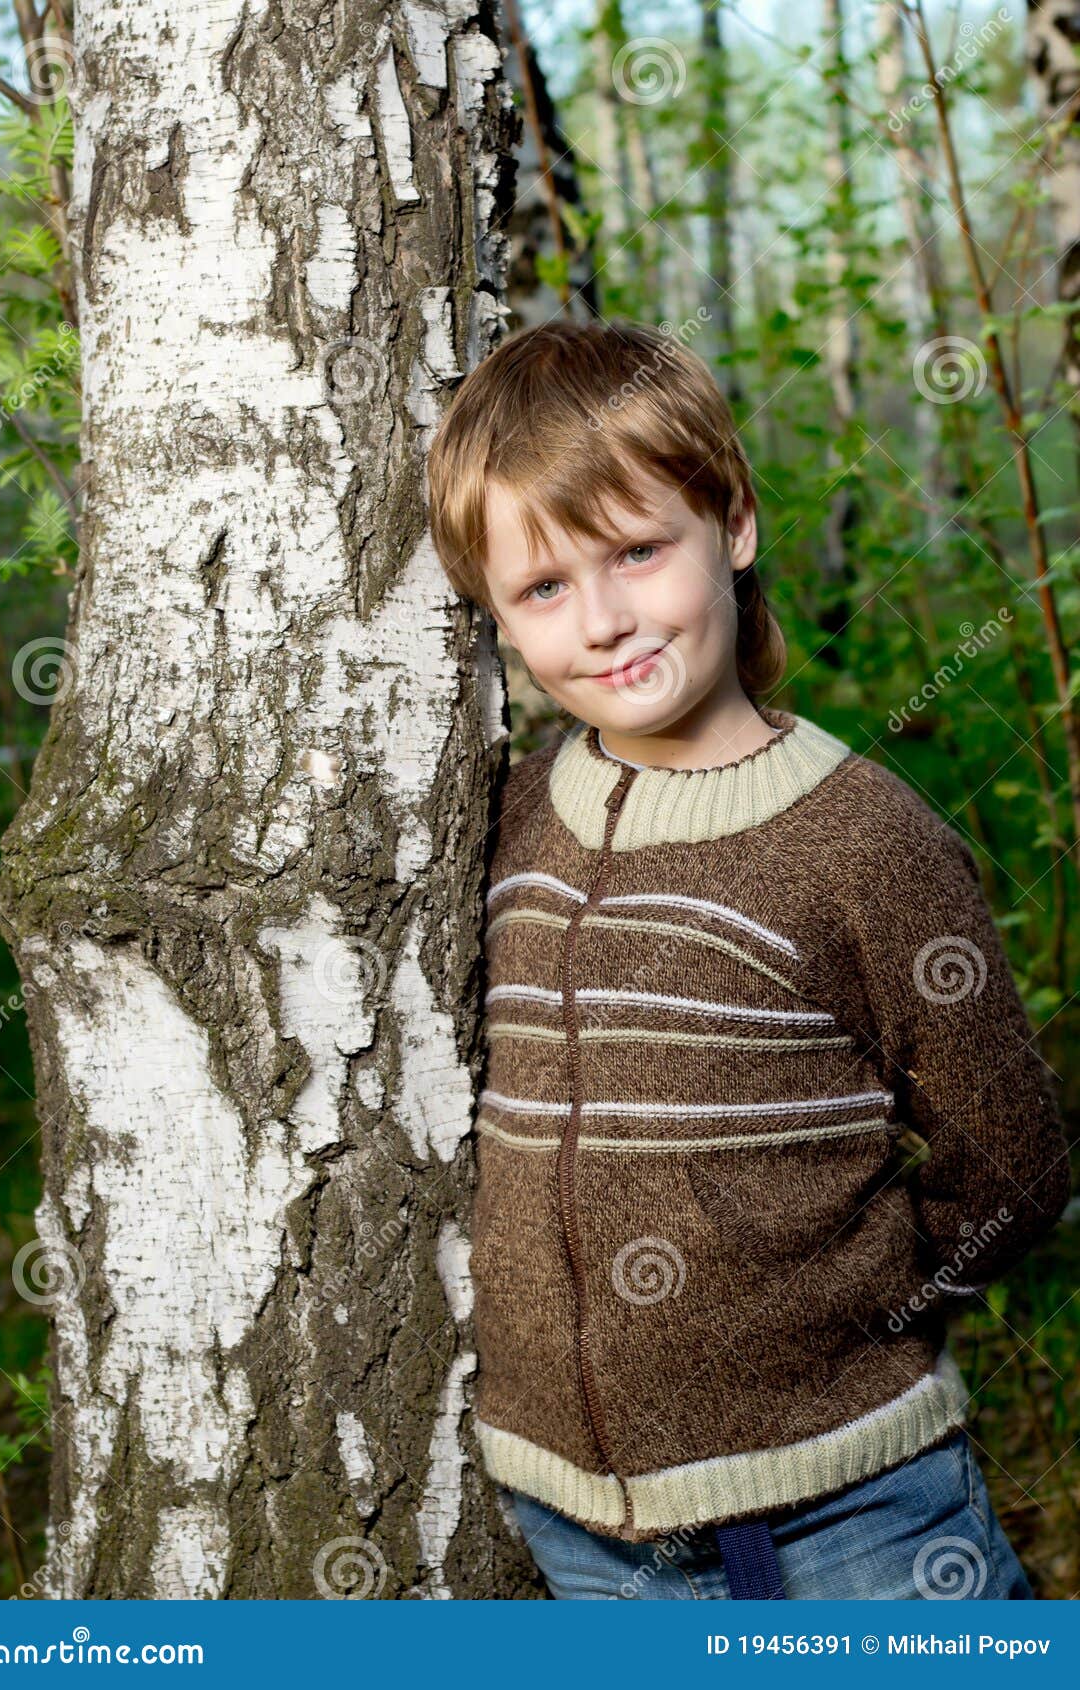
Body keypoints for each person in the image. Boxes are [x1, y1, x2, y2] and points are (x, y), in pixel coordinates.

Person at [425, 318, 1071, 1600]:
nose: (603, 622)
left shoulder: (863, 841)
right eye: (542, 589)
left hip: (851, 1520)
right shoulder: (503, 814)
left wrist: (851, 1320)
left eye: (637, 551)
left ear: (732, 525)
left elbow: (1012, 1165)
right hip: (572, 1531)